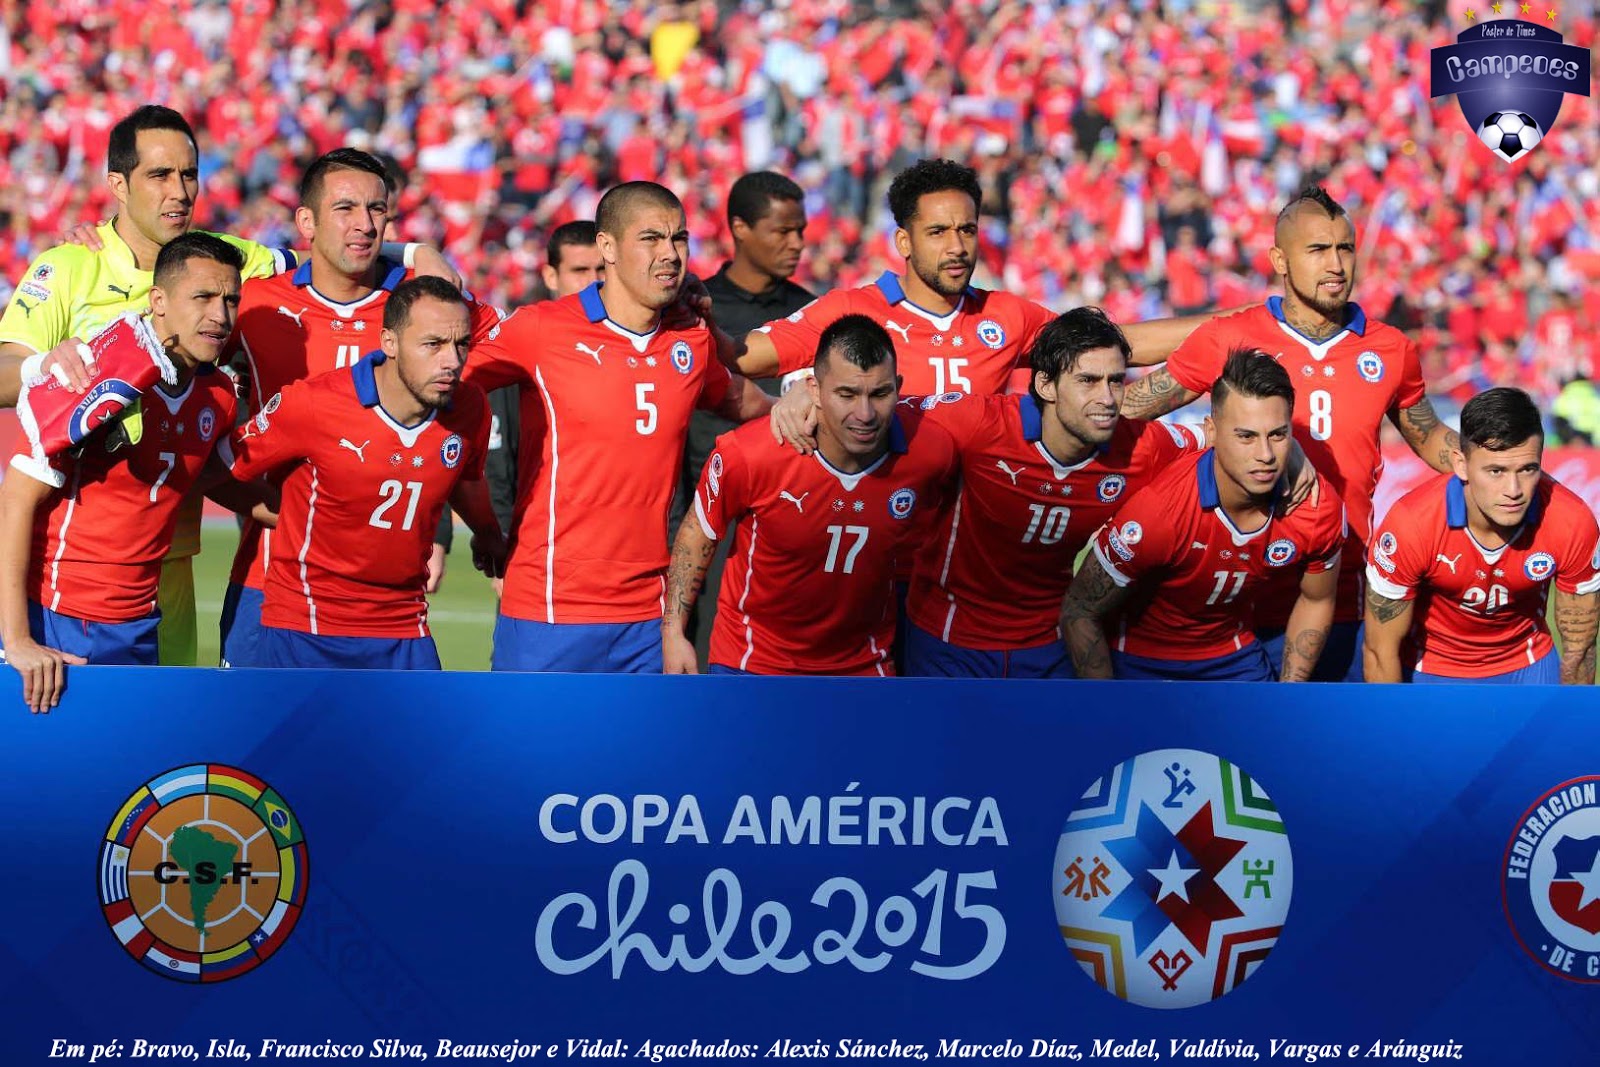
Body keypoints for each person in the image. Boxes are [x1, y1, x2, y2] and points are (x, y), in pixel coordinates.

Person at [0, 106, 452, 666]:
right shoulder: (69, 267)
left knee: (166, 741)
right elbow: (6, 371)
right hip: (70, 572)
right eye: (160, 176)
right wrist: (54, 367)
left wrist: (412, 252)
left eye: (189, 174)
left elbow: (326, 252)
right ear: (118, 184)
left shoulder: (223, 260)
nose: (179, 191)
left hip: (171, 554)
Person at [1118, 185, 1459, 681]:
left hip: (1342, 590)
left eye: (1345, 248)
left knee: (1337, 751)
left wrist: (1500, 460)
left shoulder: (1391, 350)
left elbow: (1428, 435)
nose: (1336, 264)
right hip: (1238, 596)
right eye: (1318, 250)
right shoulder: (1230, 336)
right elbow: (1134, 406)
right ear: (1280, 259)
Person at [465, 181, 774, 673]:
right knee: (532, 752)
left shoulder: (689, 336)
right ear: (607, 247)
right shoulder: (541, 329)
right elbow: (440, 381)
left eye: (678, 239)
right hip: (549, 607)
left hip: (649, 619)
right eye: (650, 239)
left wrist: (807, 407)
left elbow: (743, 400)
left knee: (644, 753)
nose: (670, 254)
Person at [216, 148, 502, 668]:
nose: (365, 225)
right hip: (271, 581)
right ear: (306, 221)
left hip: (386, 607)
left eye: (377, 210)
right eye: (345, 209)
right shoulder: (255, 304)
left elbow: (532, 341)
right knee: (253, 749)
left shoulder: (426, 310)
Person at [0, 234, 246, 710]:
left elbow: (211, 478)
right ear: (158, 300)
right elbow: (15, 499)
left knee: (125, 780)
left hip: (140, 623)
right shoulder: (95, 371)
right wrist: (17, 639)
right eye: (203, 297)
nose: (220, 314)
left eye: (231, 299)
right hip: (57, 619)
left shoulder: (219, 395)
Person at [729, 158, 1211, 399]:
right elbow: (743, 359)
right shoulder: (850, 311)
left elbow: (1119, 343)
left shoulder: (1007, 316)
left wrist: (1252, 320)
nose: (957, 246)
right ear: (904, 242)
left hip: (971, 556)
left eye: (967, 230)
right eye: (937, 232)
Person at [902, 308, 1205, 677]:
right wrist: (808, 393)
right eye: (1088, 381)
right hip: (948, 642)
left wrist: (1291, 462)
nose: (1108, 398)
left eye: (1115, 381)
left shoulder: (1142, 446)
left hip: (1050, 645)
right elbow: (876, 414)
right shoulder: (979, 423)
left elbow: (1219, 441)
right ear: (1045, 385)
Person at [663, 315, 958, 675]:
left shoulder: (933, 450)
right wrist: (674, 633)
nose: (864, 414)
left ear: (898, 387)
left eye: (880, 394)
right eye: (846, 394)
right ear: (814, 390)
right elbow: (698, 532)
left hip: (865, 665)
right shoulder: (752, 453)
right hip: (754, 662)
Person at [1061, 349, 1346, 682]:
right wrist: (1105, 705)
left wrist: (1288, 691)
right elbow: (1079, 610)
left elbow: (1318, 599)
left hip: (1234, 655)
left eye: (1278, 435)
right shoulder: (1159, 513)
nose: (1266, 455)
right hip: (1140, 660)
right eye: (1246, 436)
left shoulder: (1316, 508)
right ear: (1211, 431)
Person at [669, 171, 815, 661]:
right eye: (782, 231)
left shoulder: (813, 314)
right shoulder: (691, 311)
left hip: (791, 522)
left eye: (802, 231)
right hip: (706, 523)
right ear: (740, 228)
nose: (797, 243)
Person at [1364, 387, 1600, 685]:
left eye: (1527, 469)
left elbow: (1579, 650)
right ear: (1461, 464)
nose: (1514, 490)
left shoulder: (1571, 521)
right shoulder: (1412, 523)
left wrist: (1570, 724)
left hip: (1527, 664)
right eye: (1496, 471)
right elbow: (1379, 651)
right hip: (1431, 668)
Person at [483, 221, 604, 549]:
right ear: (551, 276)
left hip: (614, 542)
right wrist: (502, 539)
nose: (593, 281)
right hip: (536, 544)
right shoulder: (526, 339)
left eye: (601, 269)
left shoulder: (635, 343)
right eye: (580, 270)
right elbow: (498, 457)